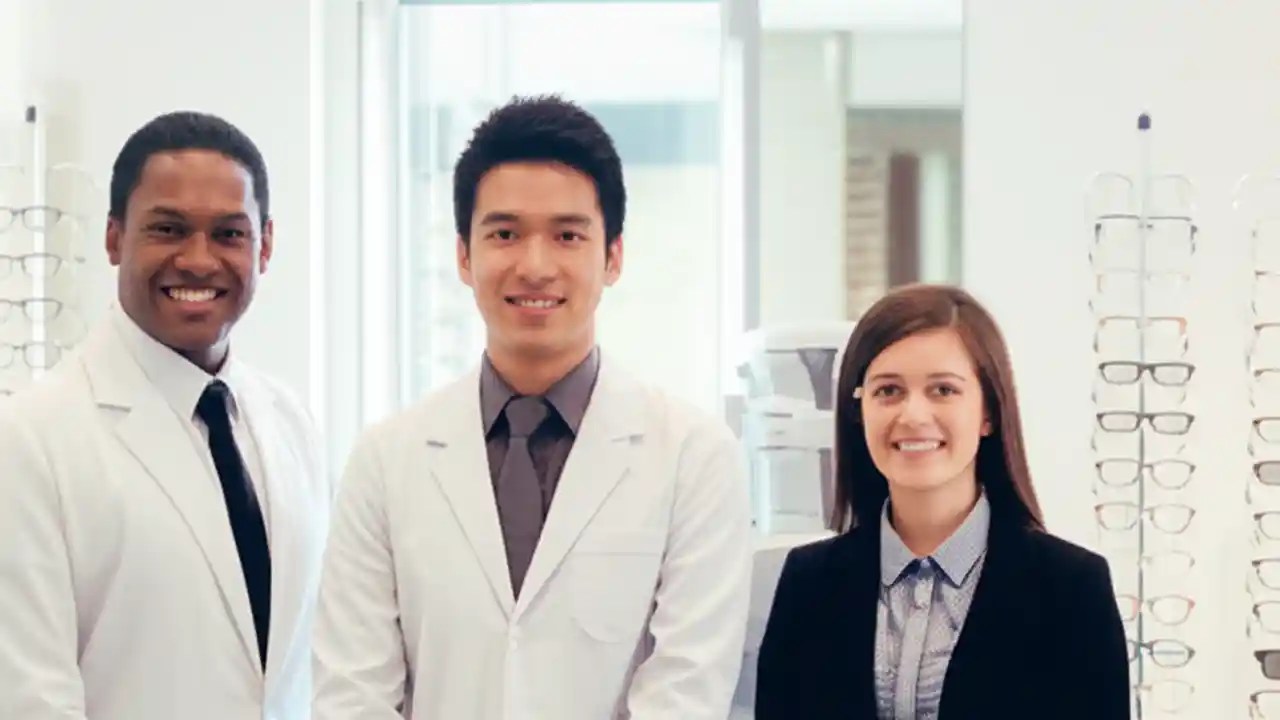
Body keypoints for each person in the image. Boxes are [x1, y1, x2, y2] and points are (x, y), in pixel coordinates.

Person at [312, 95, 752, 720]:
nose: (535, 265)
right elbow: (352, 691)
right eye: (505, 233)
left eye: (568, 235)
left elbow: (686, 693)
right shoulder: (386, 460)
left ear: (613, 257)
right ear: (464, 255)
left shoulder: (694, 457)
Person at [0, 111, 330, 719]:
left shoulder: (291, 423)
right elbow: (30, 697)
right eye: (168, 229)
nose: (199, 260)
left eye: (229, 234)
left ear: (267, 246)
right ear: (112, 238)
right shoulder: (31, 440)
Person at [755, 283, 1130, 720]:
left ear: (988, 411)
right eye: (888, 390)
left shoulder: (1071, 589)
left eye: (943, 390)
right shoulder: (809, 584)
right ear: (860, 412)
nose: (913, 415)